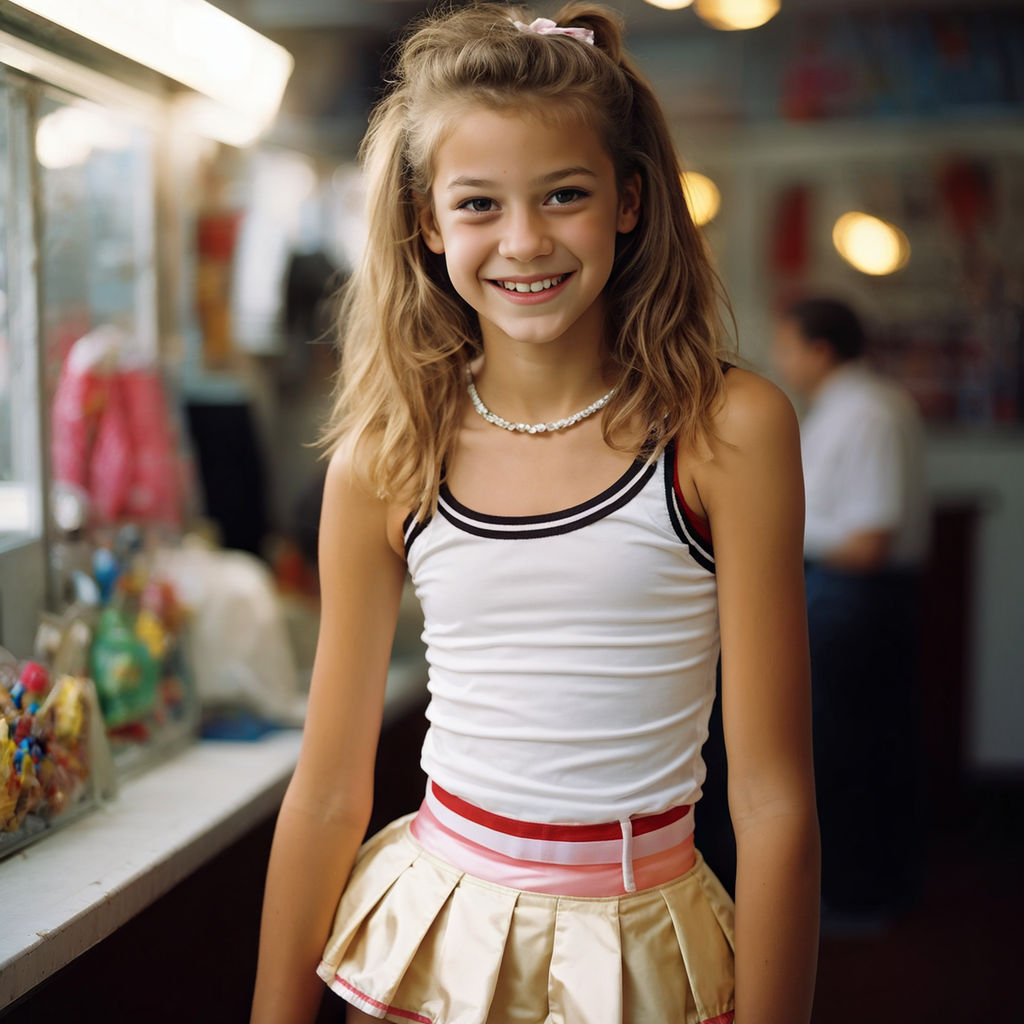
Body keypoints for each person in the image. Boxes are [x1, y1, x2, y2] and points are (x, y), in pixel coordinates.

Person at [251, 6, 819, 1022]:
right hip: (434, 933)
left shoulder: (729, 430)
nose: (523, 241)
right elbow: (329, 792)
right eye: (478, 205)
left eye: (564, 194)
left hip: (645, 937)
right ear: (427, 223)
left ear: (629, 202)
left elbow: (773, 800)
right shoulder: (384, 457)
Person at [774, 296, 927, 926]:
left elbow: (869, 540)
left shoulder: (866, 411)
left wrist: (771, 533)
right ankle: (845, 892)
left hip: (855, 598)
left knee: (847, 747)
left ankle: (859, 897)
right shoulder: (842, 409)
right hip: (839, 592)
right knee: (837, 745)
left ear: (819, 347)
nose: (782, 357)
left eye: (787, 343)